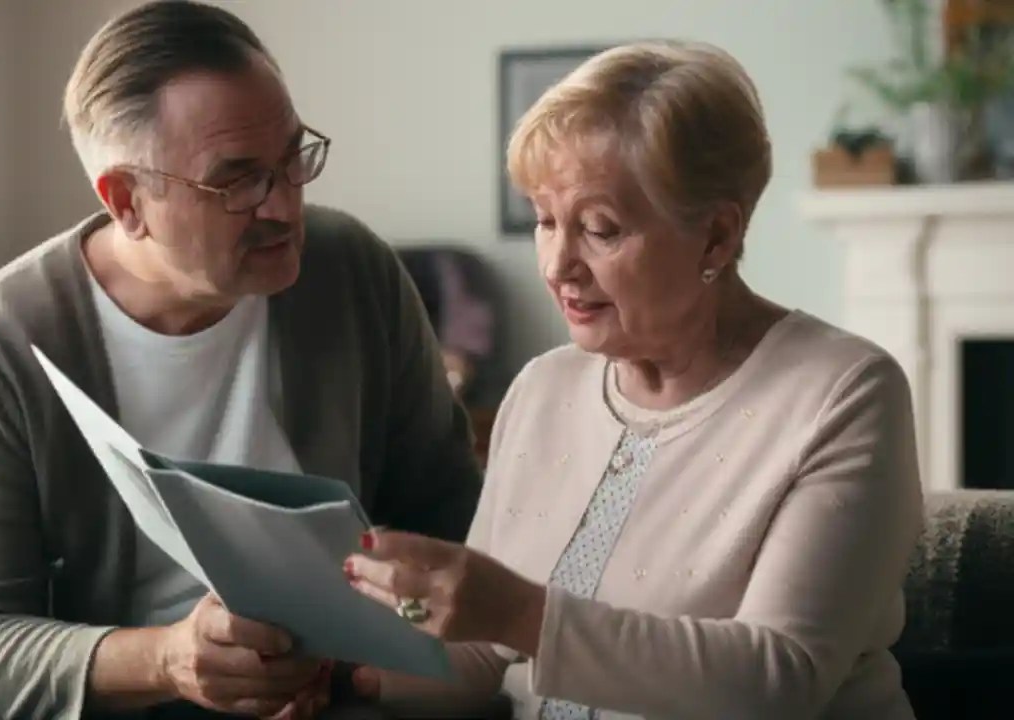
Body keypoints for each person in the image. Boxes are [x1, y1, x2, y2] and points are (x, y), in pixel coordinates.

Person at [0, 2, 482, 718]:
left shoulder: (352, 272)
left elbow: (452, 523)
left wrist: (339, 661)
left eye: (293, 159)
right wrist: (169, 661)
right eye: (237, 182)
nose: (284, 207)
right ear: (126, 201)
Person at [345, 40, 925, 719]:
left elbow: (779, 680)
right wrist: (339, 668)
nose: (559, 264)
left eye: (600, 229)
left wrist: (518, 612)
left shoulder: (845, 394)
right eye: (544, 220)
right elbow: (482, 657)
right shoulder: (541, 390)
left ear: (715, 237)